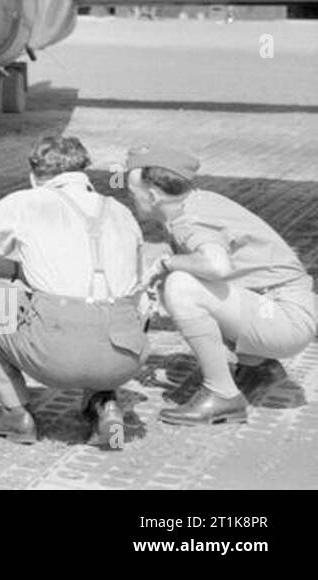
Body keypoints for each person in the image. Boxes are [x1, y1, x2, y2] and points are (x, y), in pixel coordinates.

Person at [0, 135, 147, 448]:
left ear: (33, 175)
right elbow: (138, 292)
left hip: (57, 356)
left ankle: (12, 411)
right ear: (84, 172)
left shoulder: (28, 201)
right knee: (105, 308)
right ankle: (103, 401)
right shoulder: (120, 211)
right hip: (124, 358)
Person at [127, 145, 317, 425]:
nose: (130, 198)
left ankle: (222, 393)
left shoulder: (189, 220)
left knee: (180, 286)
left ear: (153, 196)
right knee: (179, 281)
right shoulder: (198, 201)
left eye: (132, 193)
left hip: (286, 318)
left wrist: (164, 264)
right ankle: (258, 366)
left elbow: (217, 266)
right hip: (285, 306)